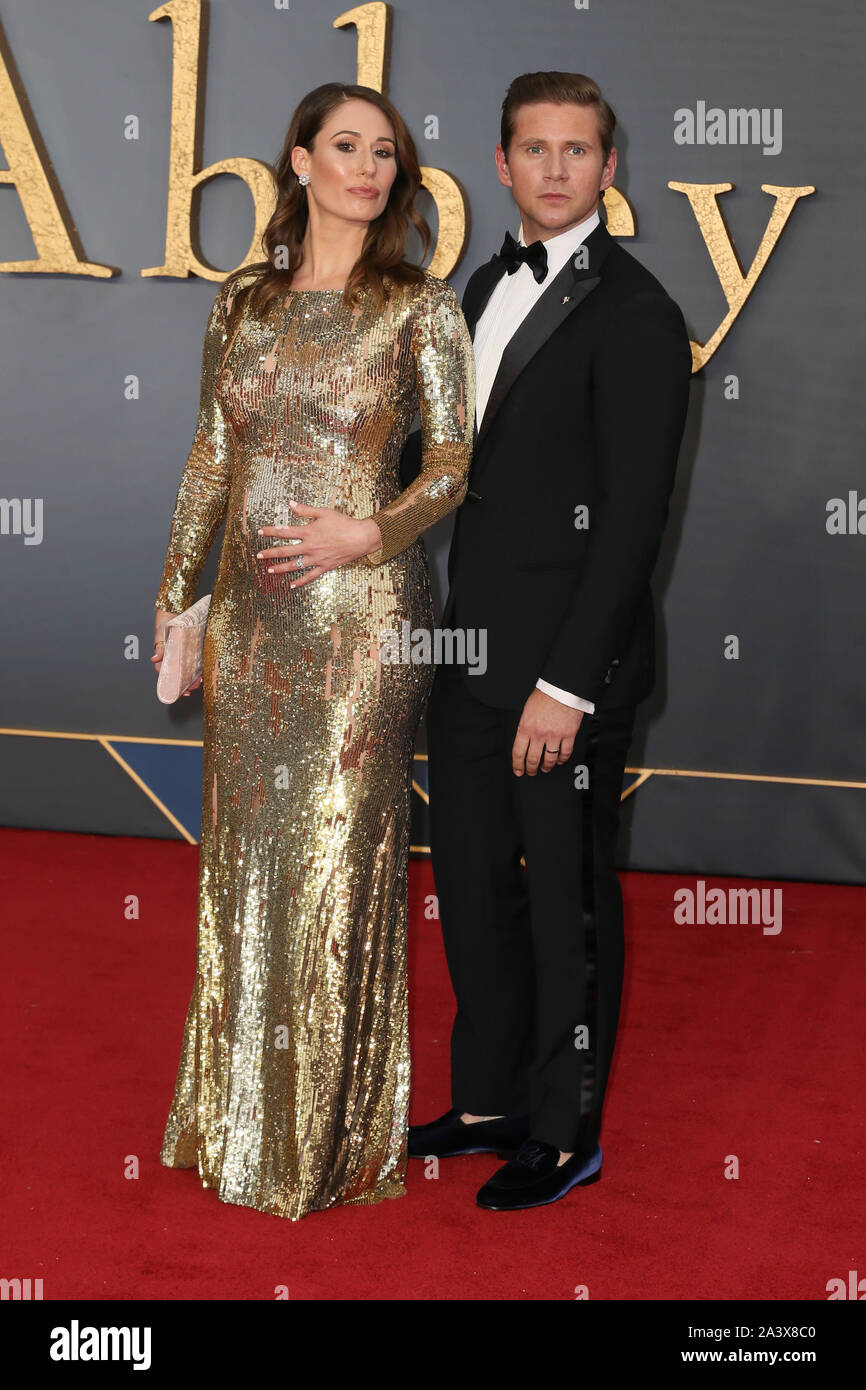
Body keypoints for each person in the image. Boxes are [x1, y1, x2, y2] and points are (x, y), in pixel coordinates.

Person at [151, 82, 475, 1221]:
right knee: (246, 860)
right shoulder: (241, 305)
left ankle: (324, 1146)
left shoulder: (416, 307)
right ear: (298, 159)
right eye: (345, 146)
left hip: (363, 624)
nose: (367, 168)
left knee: (336, 862)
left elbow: (450, 465)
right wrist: (174, 595)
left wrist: (367, 530)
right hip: (249, 627)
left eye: (385, 152)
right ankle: (234, 1121)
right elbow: (207, 457)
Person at [405, 71, 692, 1209]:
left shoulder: (635, 312)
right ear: (502, 163)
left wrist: (565, 686)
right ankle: (487, 1101)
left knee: (567, 898)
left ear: (608, 168)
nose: (557, 167)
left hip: (565, 675)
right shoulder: (478, 287)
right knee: (471, 887)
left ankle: (565, 1130)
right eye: (536, 148)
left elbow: (630, 521)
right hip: (467, 658)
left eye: (579, 149)